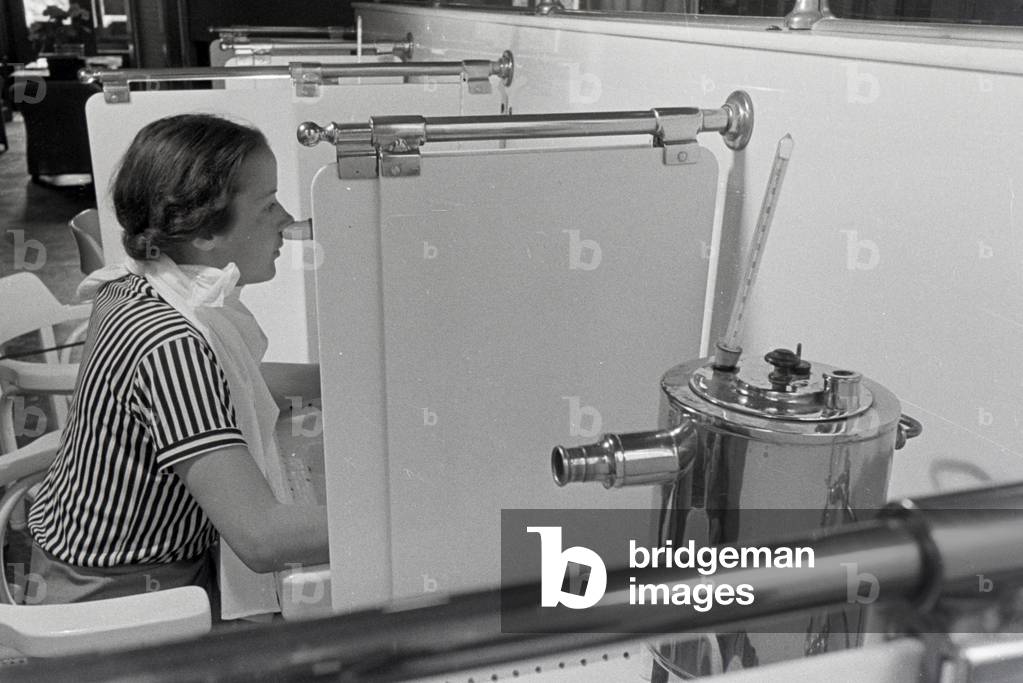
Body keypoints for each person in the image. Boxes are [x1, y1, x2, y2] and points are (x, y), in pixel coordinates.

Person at [26, 114, 327, 613]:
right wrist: (426, 509)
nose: (287, 219)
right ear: (204, 232)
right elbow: (262, 538)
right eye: (268, 204)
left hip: (74, 558)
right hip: (117, 597)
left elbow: (231, 385)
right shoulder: (171, 341)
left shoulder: (136, 285)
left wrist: (354, 382)